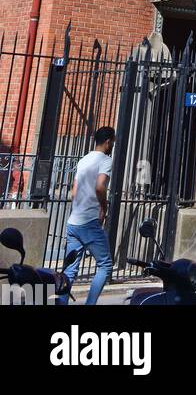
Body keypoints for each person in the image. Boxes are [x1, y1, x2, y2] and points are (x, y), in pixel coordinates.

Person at [60, 126, 115, 305]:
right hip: (89, 222)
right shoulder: (106, 160)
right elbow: (100, 186)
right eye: (112, 142)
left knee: (70, 269)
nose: (112, 145)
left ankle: (61, 303)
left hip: (73, 221)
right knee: (105, 265)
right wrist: (103, 208)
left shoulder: (84, 160)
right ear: (108, 142)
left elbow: (74, 192)